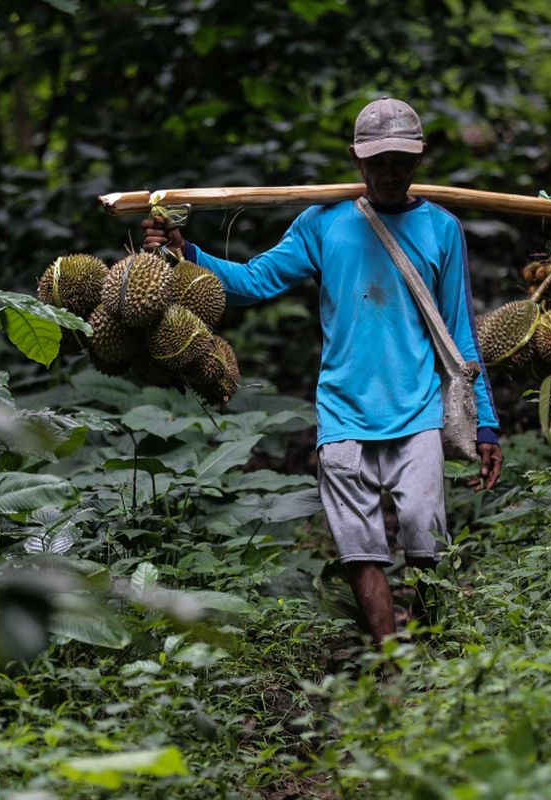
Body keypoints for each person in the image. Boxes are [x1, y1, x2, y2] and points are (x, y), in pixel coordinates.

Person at [142, 97, 502, 641]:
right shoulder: (322, 224)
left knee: (426, 539)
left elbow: (460, 334)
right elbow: (252, 282)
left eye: (400, 161)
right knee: (359, 547)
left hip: (421, 406)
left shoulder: (441, 228)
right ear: (358, 160)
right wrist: (185, 250)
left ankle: (427, 655)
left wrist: (486, 422)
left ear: (419, 160)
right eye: (377, 161)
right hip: (344, 411)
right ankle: (390, 664)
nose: (388, 172)